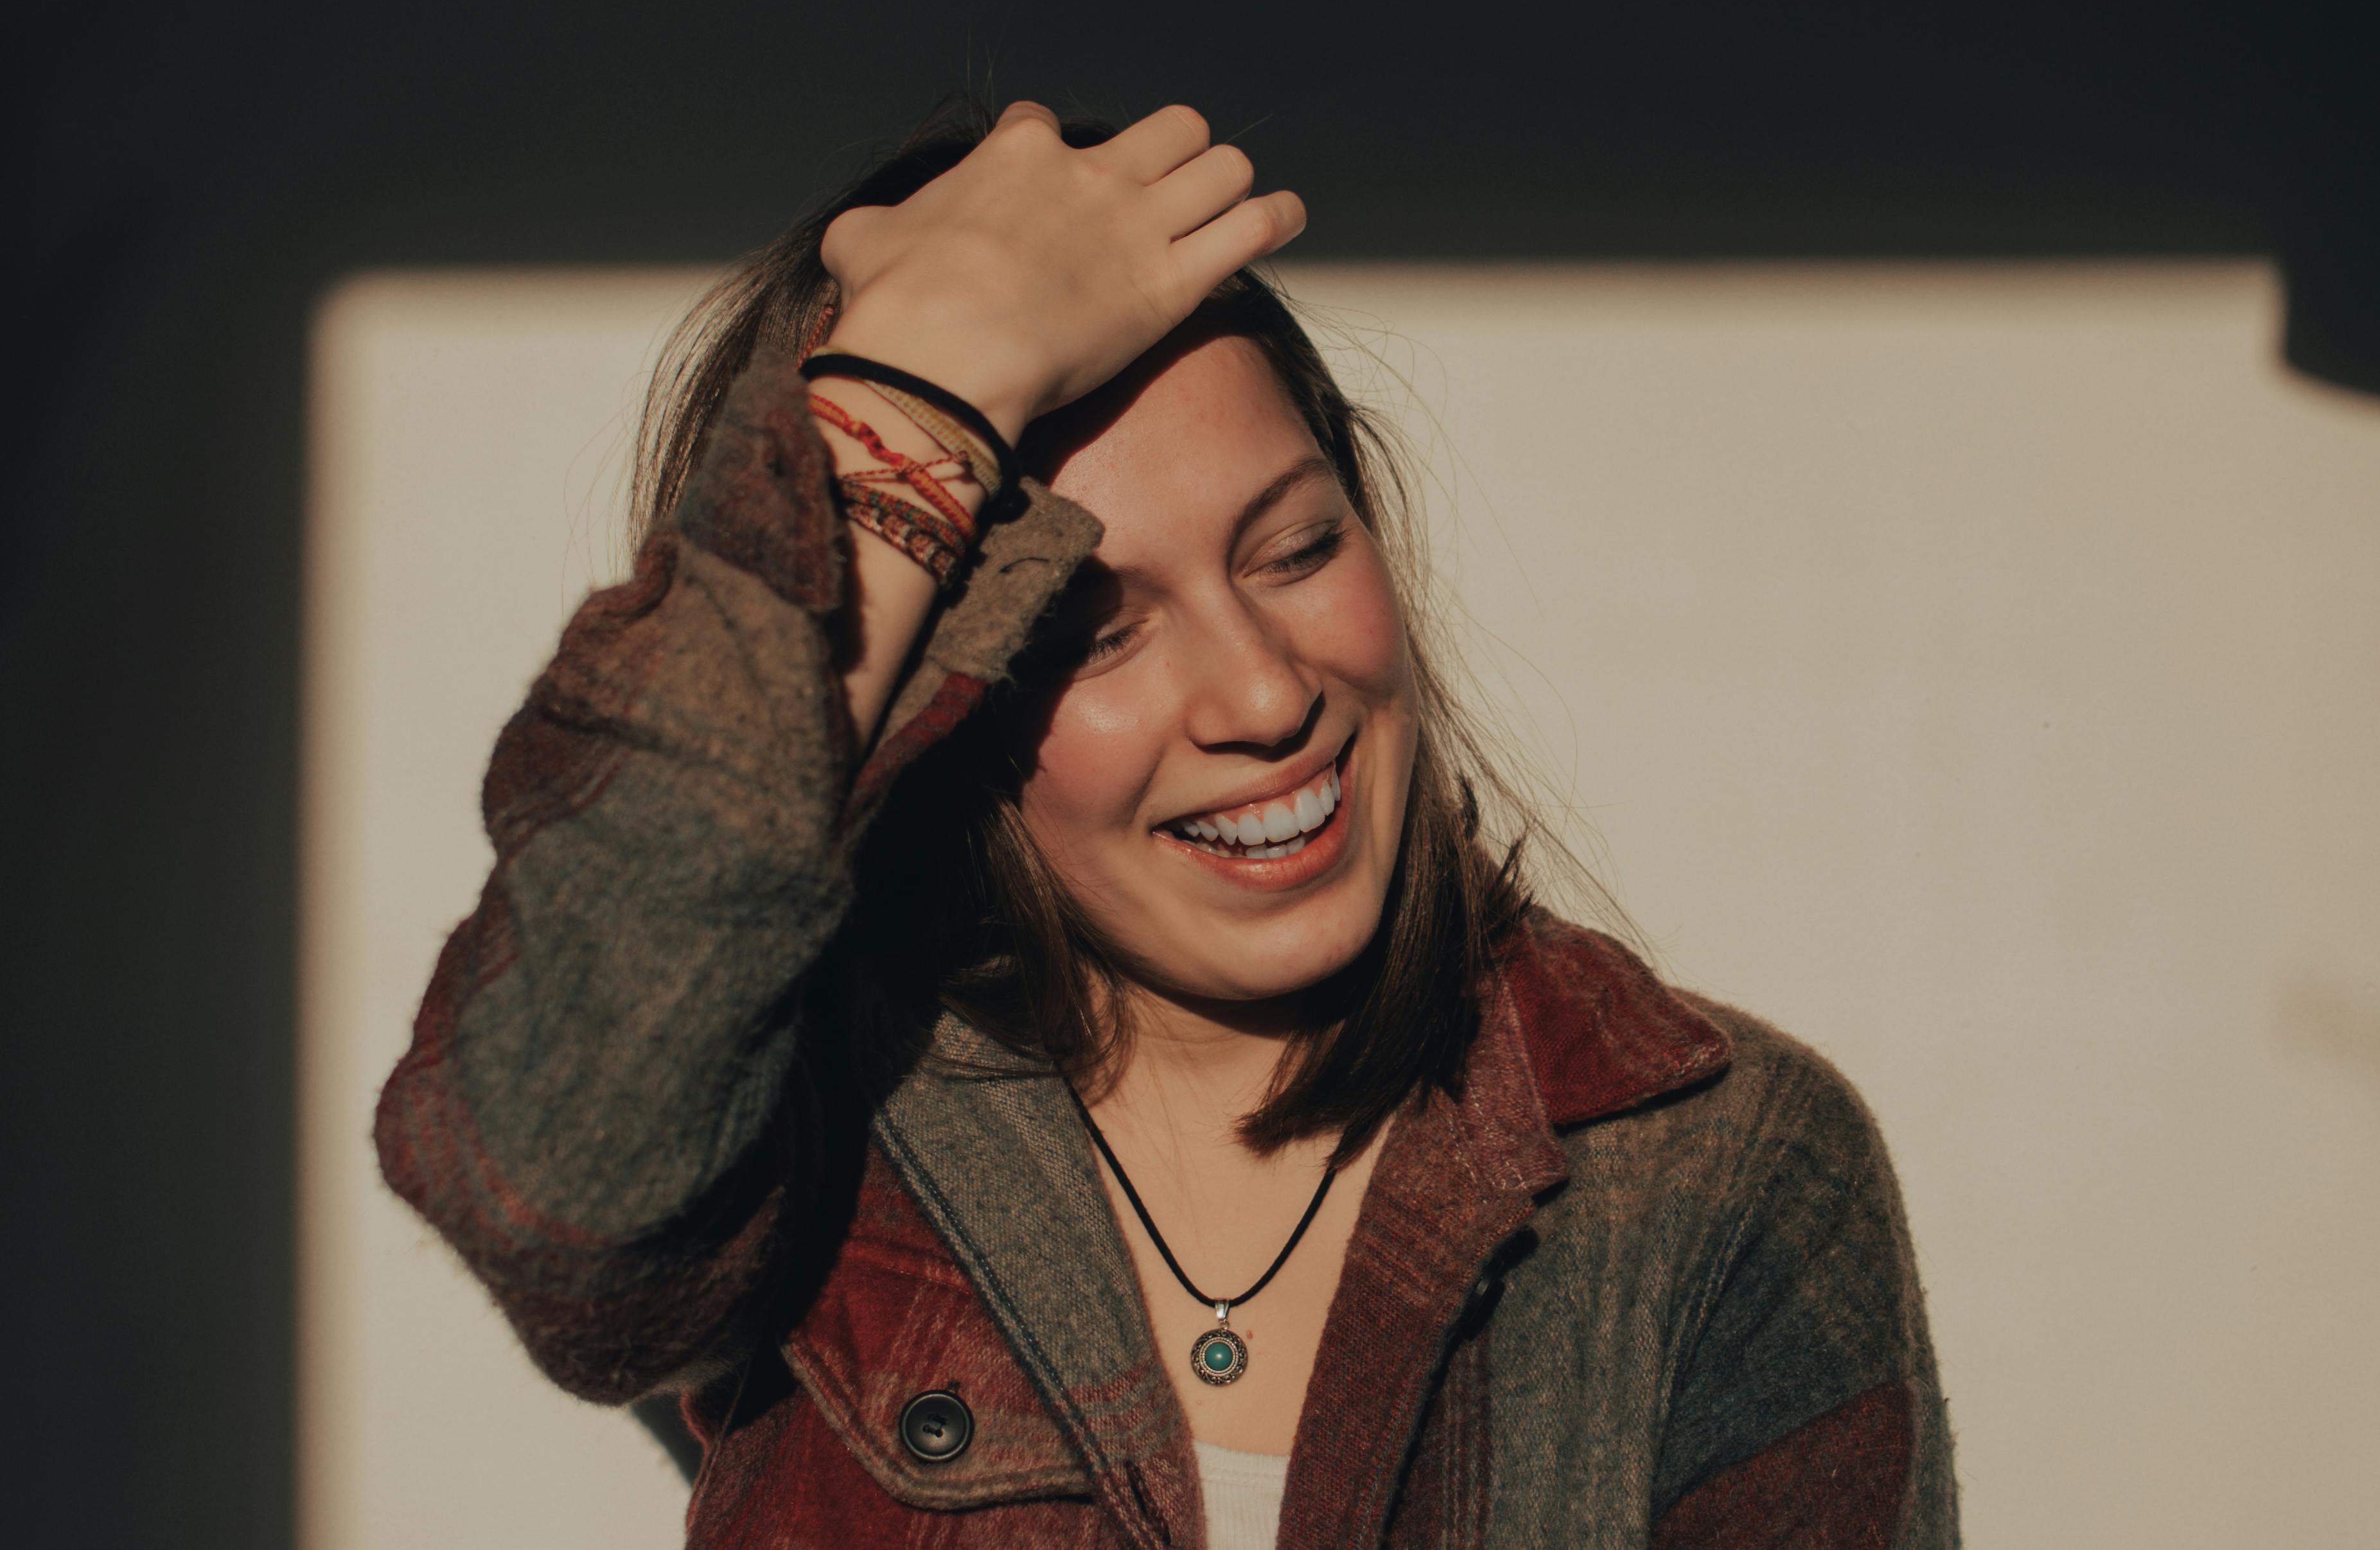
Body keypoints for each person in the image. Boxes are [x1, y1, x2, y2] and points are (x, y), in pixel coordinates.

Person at [376, 97, 1958, 1549]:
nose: (1265, 692)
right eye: (1090, 631)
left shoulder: (1713, 1166)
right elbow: (542, 1168)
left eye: (1289, 550)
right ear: (933, 699)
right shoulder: (818, 1124)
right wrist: (910, 393)